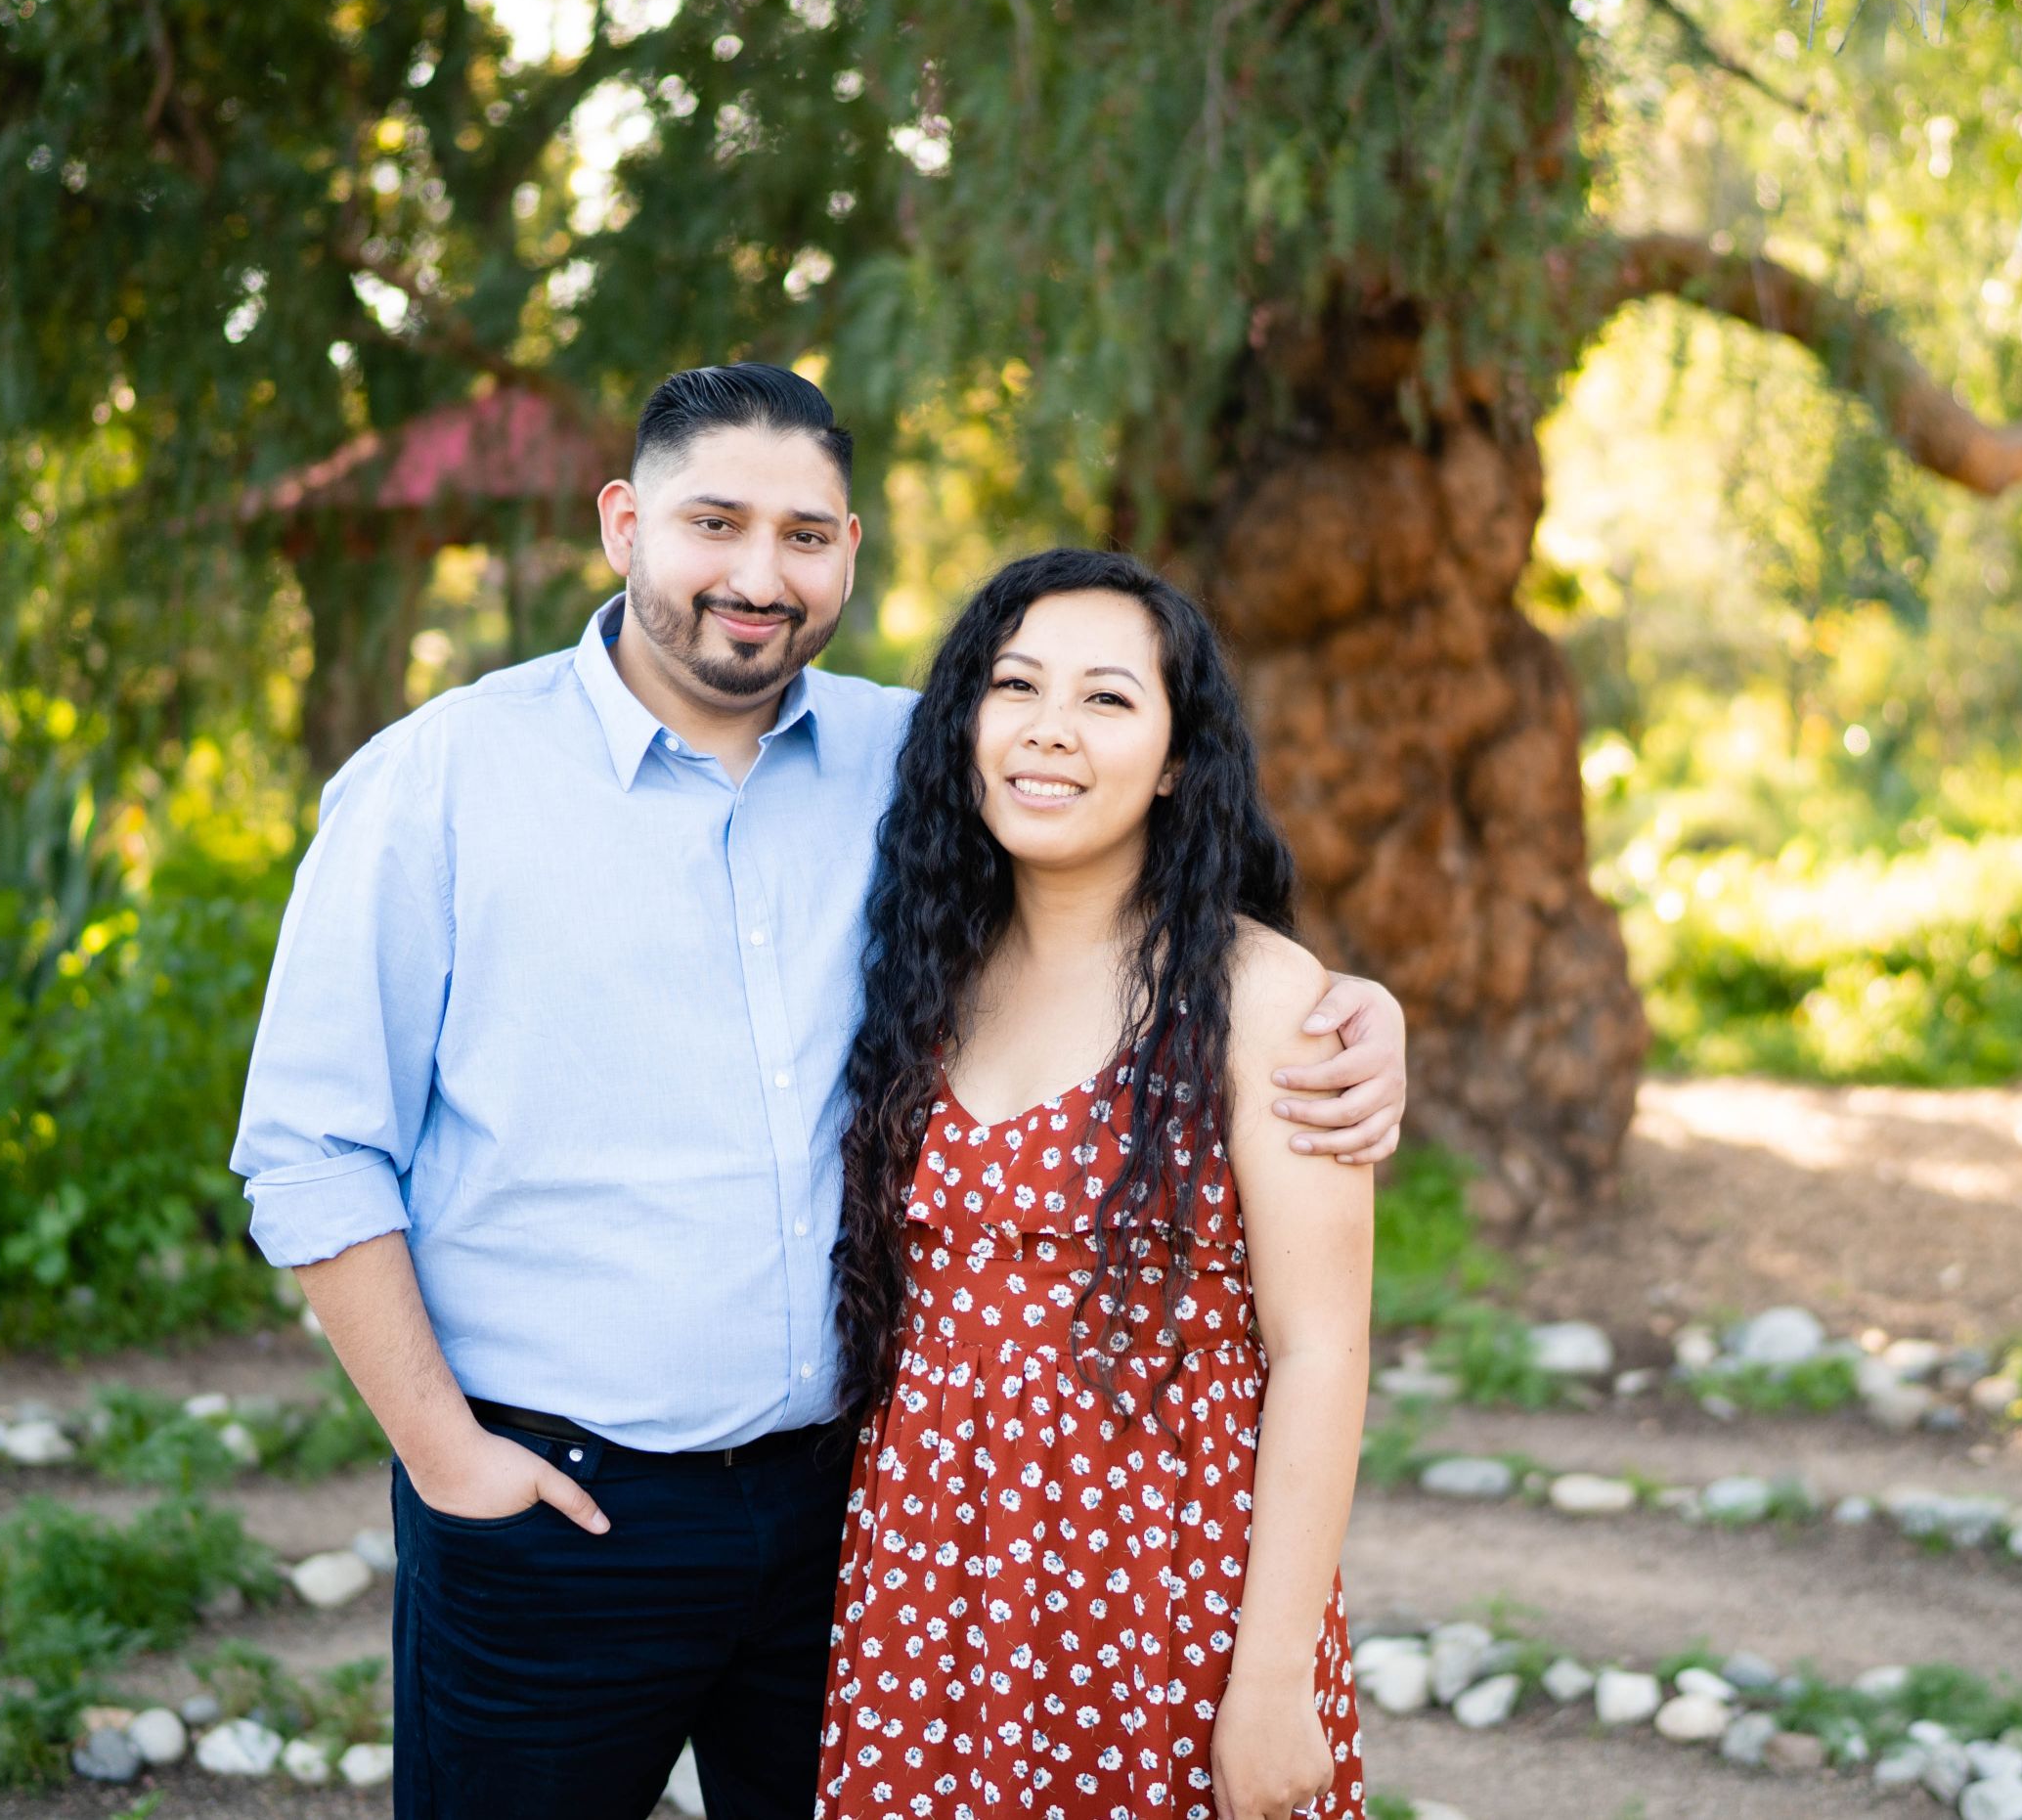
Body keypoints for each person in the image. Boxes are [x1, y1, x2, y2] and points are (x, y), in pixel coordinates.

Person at [229, 363, 1407, 1820]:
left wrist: (1353, 1008)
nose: (755, 574)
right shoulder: (439, 784)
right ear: (623, 523)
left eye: (801, 535)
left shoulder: (913, 759)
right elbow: (308, 1149)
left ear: (848, 551)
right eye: (712, 523)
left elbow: (1128, 857)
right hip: (556, 1506)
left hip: (850, 1518)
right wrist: (442, 1451)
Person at [817, 550, 1373, 1820]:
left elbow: (1322, 1348)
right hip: (929, 1573)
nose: (1048, 730)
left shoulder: (1258, 997)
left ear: (1179, 758)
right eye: (1015, 686)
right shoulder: (922, 970)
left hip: (1161, 1585)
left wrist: (1273, 1673)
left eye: (1107, 699)